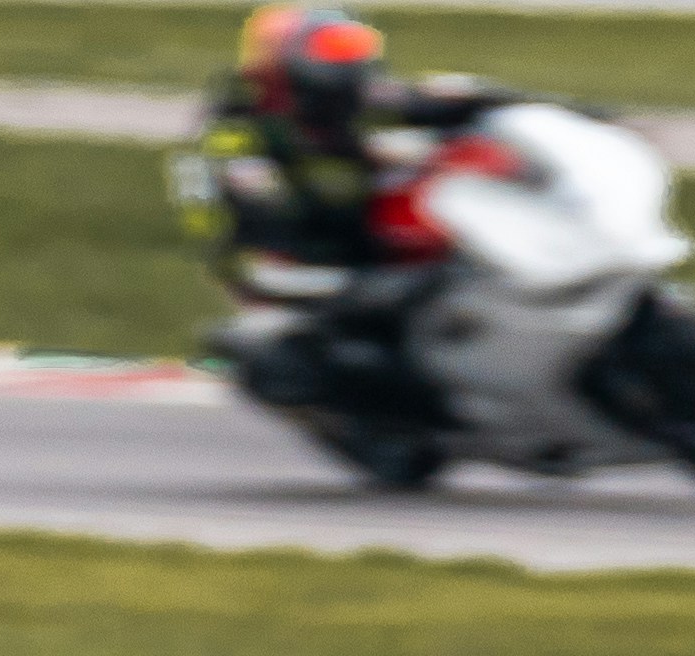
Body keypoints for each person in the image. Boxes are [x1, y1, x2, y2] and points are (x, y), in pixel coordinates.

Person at [174, 5, 521, 420]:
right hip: (293, 266)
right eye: (331, 54)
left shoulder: (344, 106)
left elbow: (416, 105)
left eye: (350, 53)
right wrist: (376, 160)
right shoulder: (239, 134)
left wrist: (481, 102)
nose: (344, 71)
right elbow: (269, 215)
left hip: (360, 248)